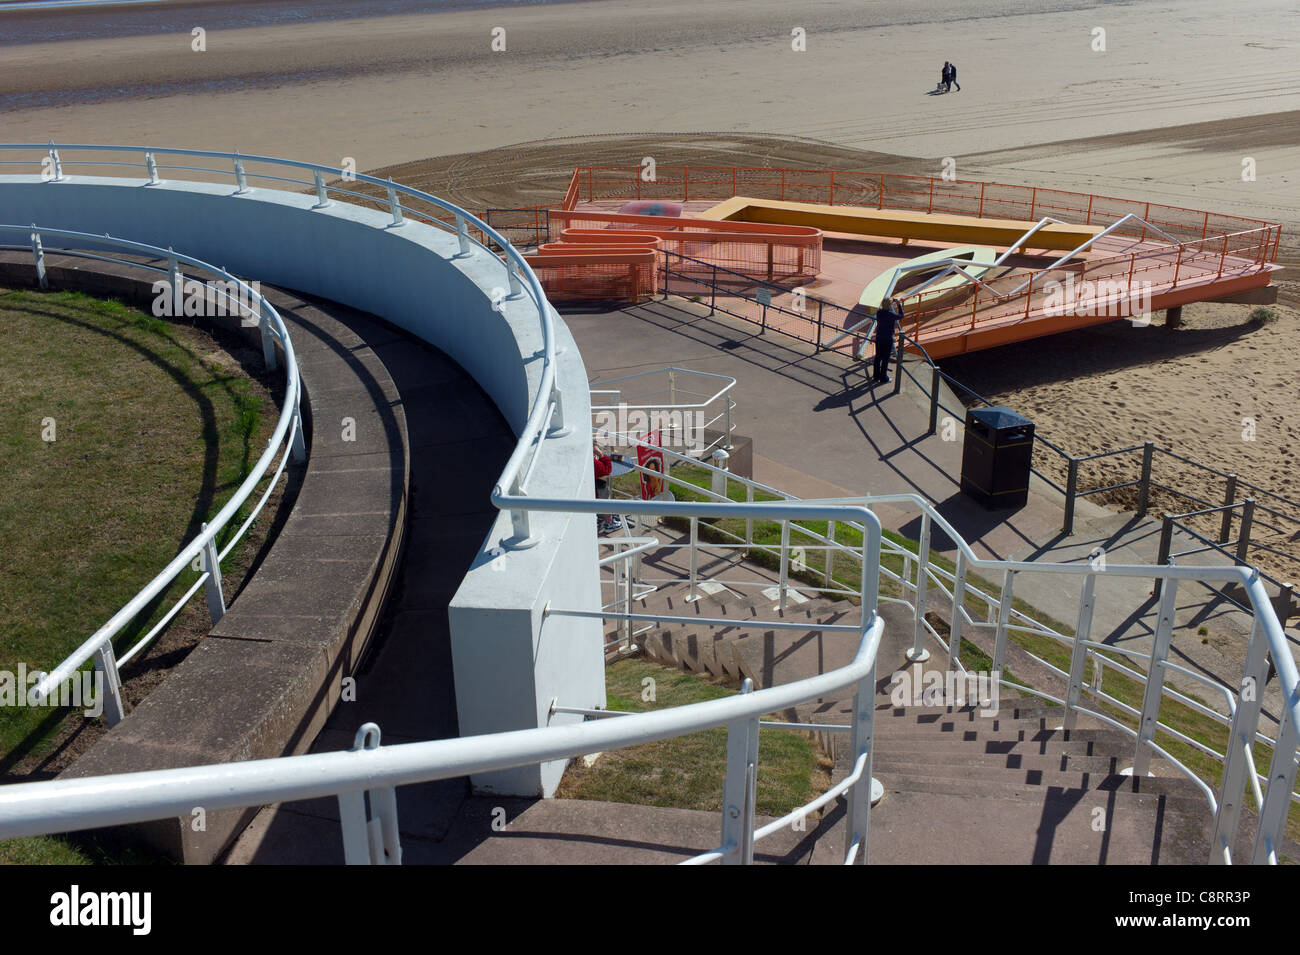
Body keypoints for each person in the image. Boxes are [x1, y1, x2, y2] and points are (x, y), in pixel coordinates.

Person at [872, 296, 902, 385]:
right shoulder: (891, 314)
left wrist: (890, 302)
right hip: (887, 339)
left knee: (878, 357)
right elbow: (901, 315)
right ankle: (883, 377)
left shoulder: (879, 312)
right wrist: (899, 304)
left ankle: (876, 375)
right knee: (885, 358)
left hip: (879, 337)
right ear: (889, 305)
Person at [593, 447, 622, 532]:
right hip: (592, 489)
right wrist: (601, 455)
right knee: (603, 490)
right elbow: (606, 470)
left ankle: (600, 516)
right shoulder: (591, 461)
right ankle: (609, 523)